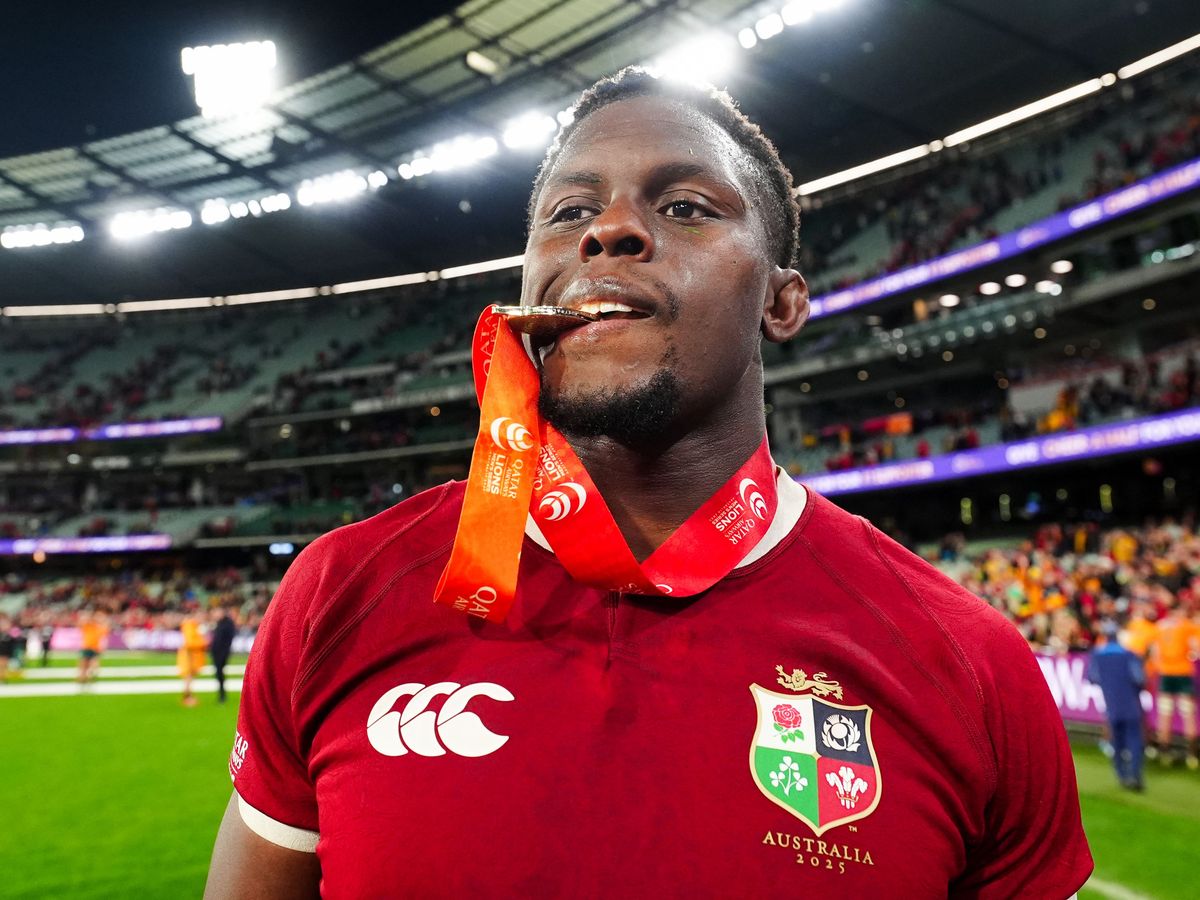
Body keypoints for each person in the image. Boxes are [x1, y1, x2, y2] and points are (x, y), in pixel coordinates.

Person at [207, 69, 1092, 897]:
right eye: (568, 211)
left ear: (782, 303)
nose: (607, 231)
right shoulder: (339, 591)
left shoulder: (971, 664)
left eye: (683, 205)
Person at [1087, 620, 1147, 790]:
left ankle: (1121, 776)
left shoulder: (1098, 655)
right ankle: (1135, 775)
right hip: (1131, 705)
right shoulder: (1129, 655)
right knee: (1134, 741)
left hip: (1111, 705)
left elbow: (1092, 677)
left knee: (1117, 741)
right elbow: (1139, 679)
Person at [1148, 602, 1199, 767]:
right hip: (1183, 672)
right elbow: (1195, 649)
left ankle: (1165, 752)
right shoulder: (1187, 626)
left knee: (1165, 713)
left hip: (1166, 674)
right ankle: (1192, 755)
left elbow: (1155, 653)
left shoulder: (1160, 627)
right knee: (1188, 713)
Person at [178, 611, 209, 707]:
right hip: (189, 657)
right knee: (188, 679)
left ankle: (188, 697)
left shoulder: (194, 626)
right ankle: (187, 698)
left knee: (190, 679)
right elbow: (190, 642)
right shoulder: (190, 626)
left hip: (192, 656)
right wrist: (203, 642)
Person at [209, 606, 238, 704]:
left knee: (220, 673)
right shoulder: (220, 623)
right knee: (218, 673)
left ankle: (222, 695)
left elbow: (227, 638)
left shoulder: (227, 623)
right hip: (216, 652)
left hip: (222, 652)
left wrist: (225, 650)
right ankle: (221, 694)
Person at [77, 609, 108, 685]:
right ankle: (83, 678)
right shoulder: (88, 625)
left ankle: (89, 677)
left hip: (94, 648)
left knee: (93, 663)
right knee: (84, 664)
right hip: (87, 647)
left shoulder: (100, 627)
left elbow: (105, 632)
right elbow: (81, 623)